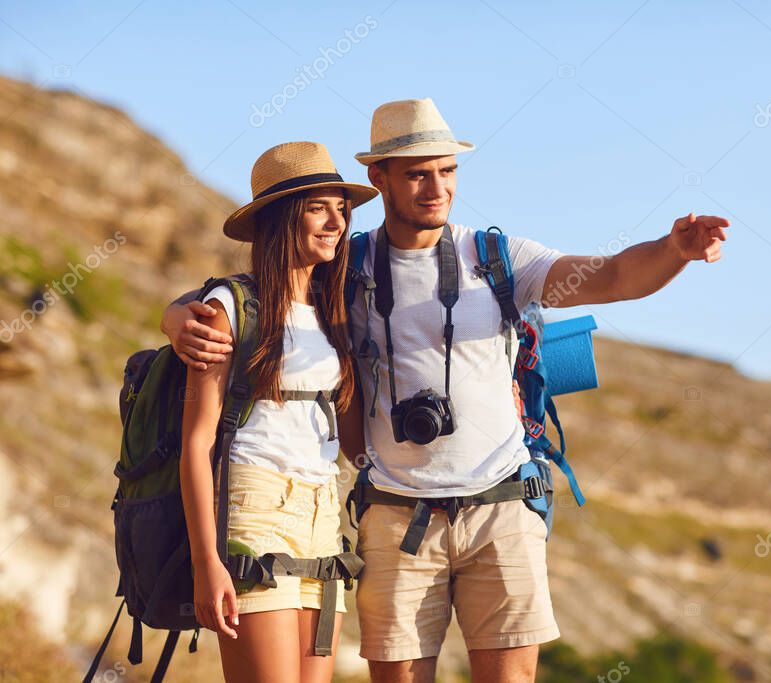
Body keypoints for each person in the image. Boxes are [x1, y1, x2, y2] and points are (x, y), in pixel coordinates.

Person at [164, 100, 729, 683]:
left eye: (448, 171)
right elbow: (253, 293)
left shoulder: (497, 259)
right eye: (417, 173)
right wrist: (178, 315)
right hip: (391, 516)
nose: (437, 188)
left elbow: (610, 276)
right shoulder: (345, 270)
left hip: (502, 506)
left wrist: (674, 252)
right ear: (379, 180)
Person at [176, 140, 377, 683]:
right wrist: (206, 563)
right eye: (318, 207)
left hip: (323, 517)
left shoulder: (335, 310)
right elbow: (197, 445)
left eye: (341, 208)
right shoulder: (229, 307)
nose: (336, 222)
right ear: (281, 218)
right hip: (254, 507)